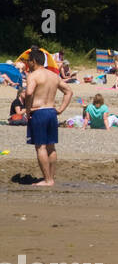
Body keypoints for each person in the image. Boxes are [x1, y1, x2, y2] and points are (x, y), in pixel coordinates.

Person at [22, 49, 73, 186]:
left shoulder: (33, 76)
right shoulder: (54, 76)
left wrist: (27, 110)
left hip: (38, 112)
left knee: (41, 147)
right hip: (51, 112)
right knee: (51, 146)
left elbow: (29, 93)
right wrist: (61, 109)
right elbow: (69, 91)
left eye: (28, 61)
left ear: (33, 61)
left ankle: (47, 179)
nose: (28, 64)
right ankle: (51, 178)